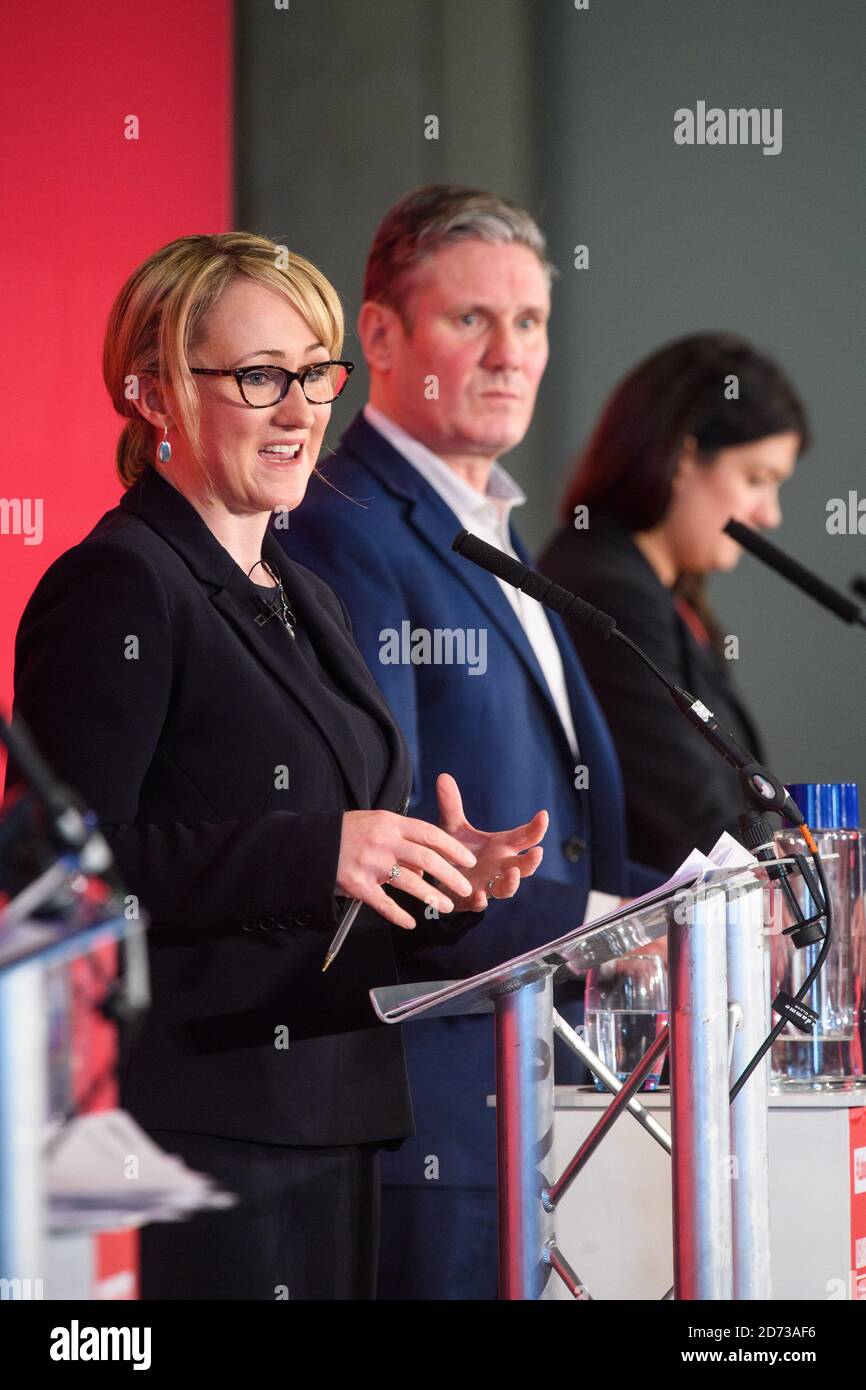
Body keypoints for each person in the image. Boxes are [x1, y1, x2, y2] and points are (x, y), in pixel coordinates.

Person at [5, 232, 548, 1300]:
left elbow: (329, 871)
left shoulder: (304, 592)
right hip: (195, 1130)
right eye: (259, 376)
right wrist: (319, 850)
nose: (302, 409)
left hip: (333, 1110)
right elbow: (58, 873)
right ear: (153, 395)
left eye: (313, 372)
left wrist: (439, 877)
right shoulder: (121, 586)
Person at [279, 186, 659, 1299]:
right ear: (381, 335)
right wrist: (617, 926)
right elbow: (386, 835)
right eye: (470, 321)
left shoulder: (489, 525)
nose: (508, 354)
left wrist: (695, 906)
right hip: (427, 1115)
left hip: (529, 1098)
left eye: (530, 322)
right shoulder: (341, 524)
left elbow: (556, 840)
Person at [539, 332, 809, 874]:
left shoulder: (663, 594)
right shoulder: (606, 590)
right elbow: (692, 822)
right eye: (757, 478)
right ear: (684, 456)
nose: (771, 514)